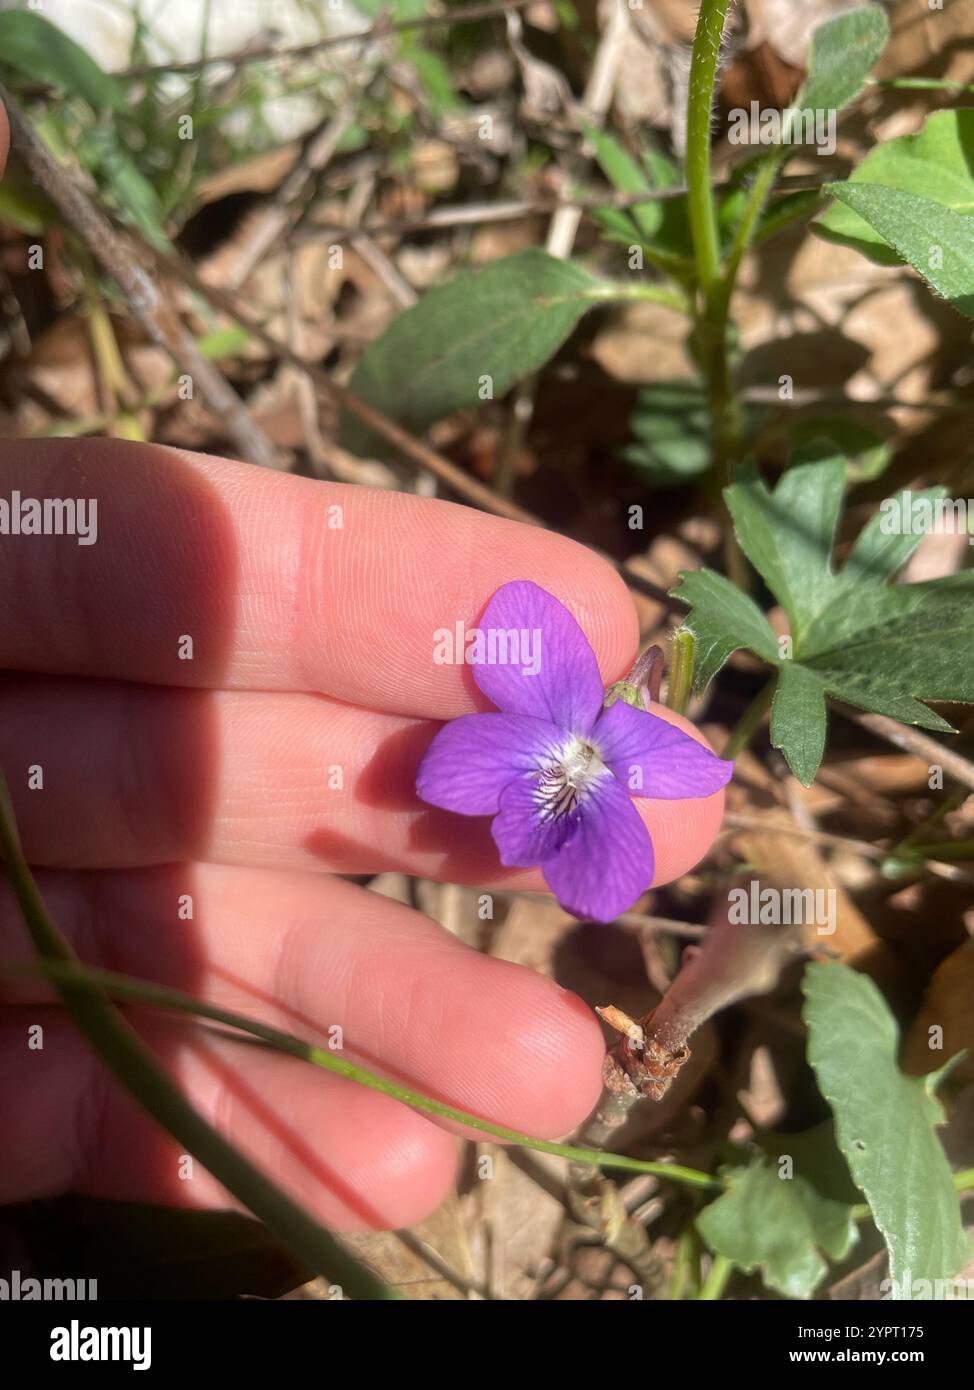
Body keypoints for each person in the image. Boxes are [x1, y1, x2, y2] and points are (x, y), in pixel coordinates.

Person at [0, 107, 724, 1231]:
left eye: (596, 755)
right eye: (588, 753)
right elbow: (477, 755)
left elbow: (561, 768)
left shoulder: (598, 738)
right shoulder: (559, 703)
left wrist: (645, 756)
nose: (579, 763)